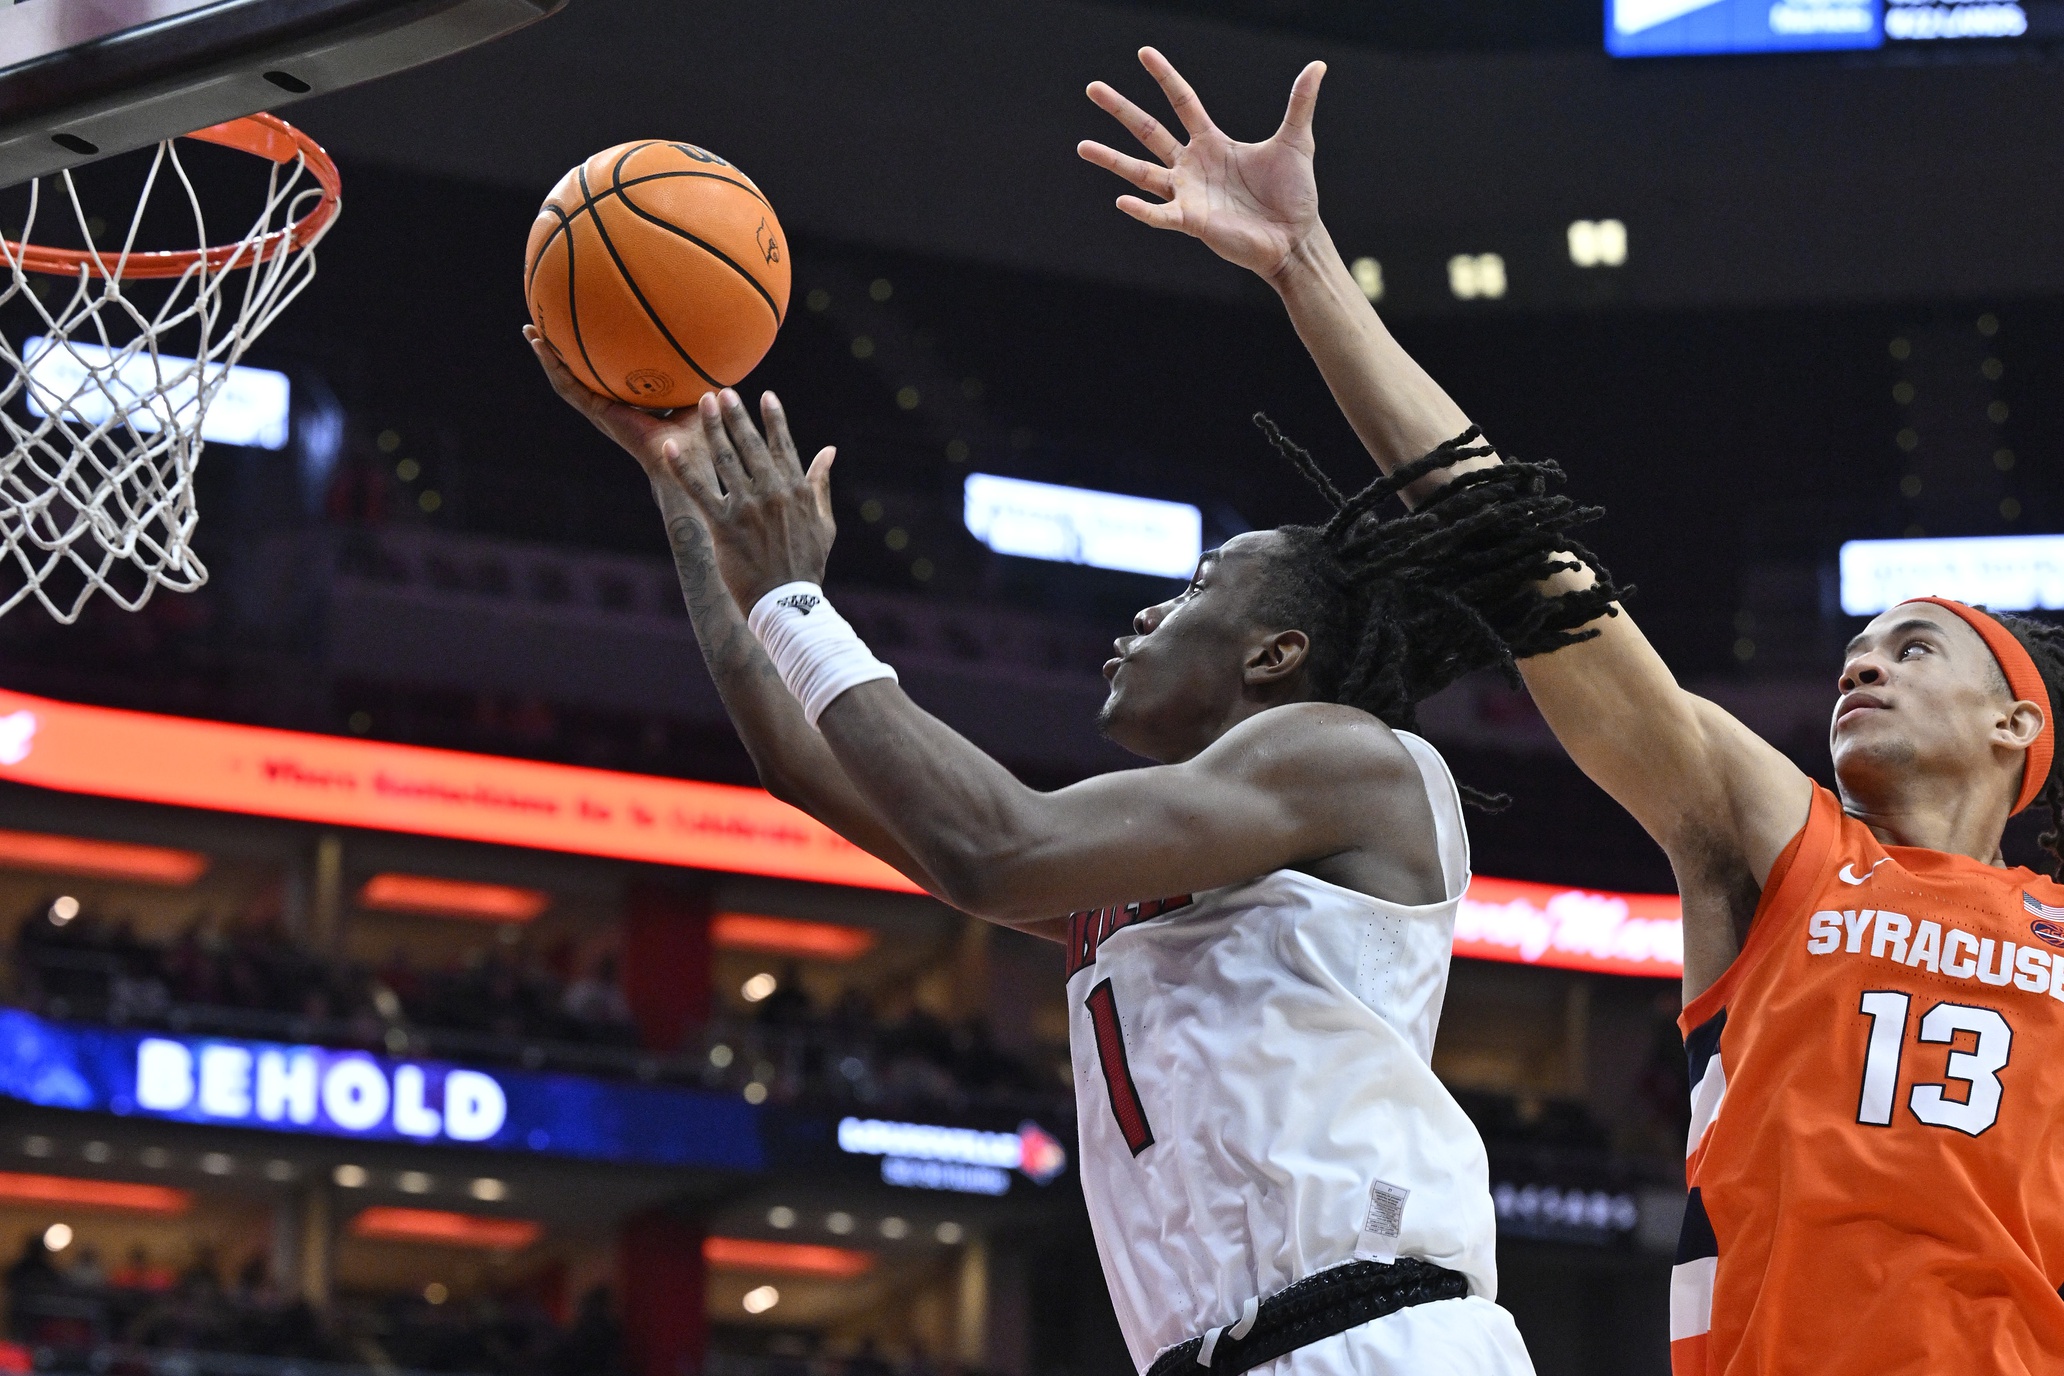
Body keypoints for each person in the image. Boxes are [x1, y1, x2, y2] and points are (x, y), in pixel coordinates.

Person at [1071, 45, 2064, 1376]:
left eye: (1918, 646)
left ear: (2018, 728)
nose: (1860, 666)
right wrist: (1306, 268)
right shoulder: (1782, 850)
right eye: (1857, 647)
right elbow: (1527, 569)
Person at [523, 267, 1594, 1371]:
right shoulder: (1167, 868)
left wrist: (799, 600)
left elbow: (993, 849)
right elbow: (799, 761)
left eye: (1192, 589)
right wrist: (686, 498)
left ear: (1278, 656)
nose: (1145, 609)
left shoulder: (1346, 756)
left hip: (1372, 1336)